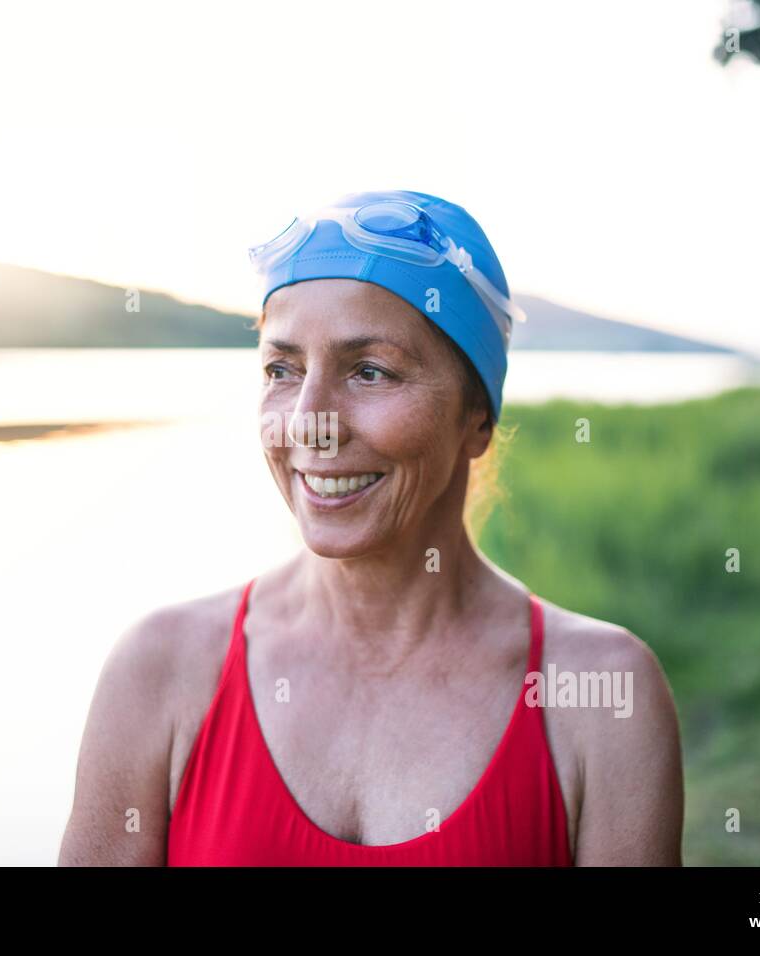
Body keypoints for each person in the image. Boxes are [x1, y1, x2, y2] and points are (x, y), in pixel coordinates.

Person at [58, 190, 684, 865]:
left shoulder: (601, 695)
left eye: (370, 371)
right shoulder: (160, 671)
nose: (308, 421)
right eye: (282, 369)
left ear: (477, 416)